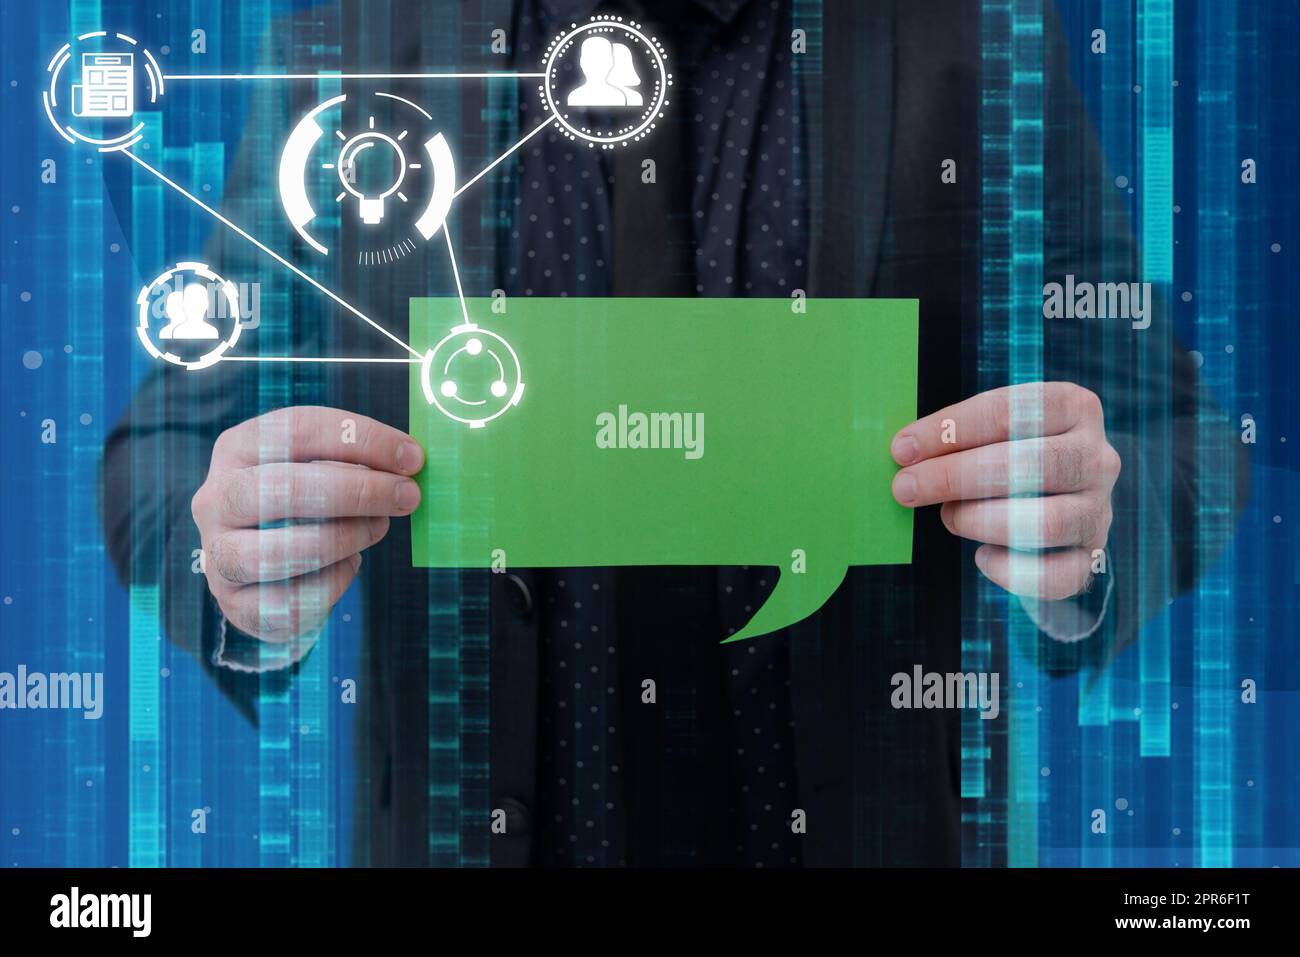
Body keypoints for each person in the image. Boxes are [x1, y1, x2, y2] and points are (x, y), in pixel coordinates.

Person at [101, 0, 1242, 867]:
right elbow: (160, 452)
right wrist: (230, 559)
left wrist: (1094, 526)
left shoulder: (980, 37)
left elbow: (1173, 433)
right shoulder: (345, 49)